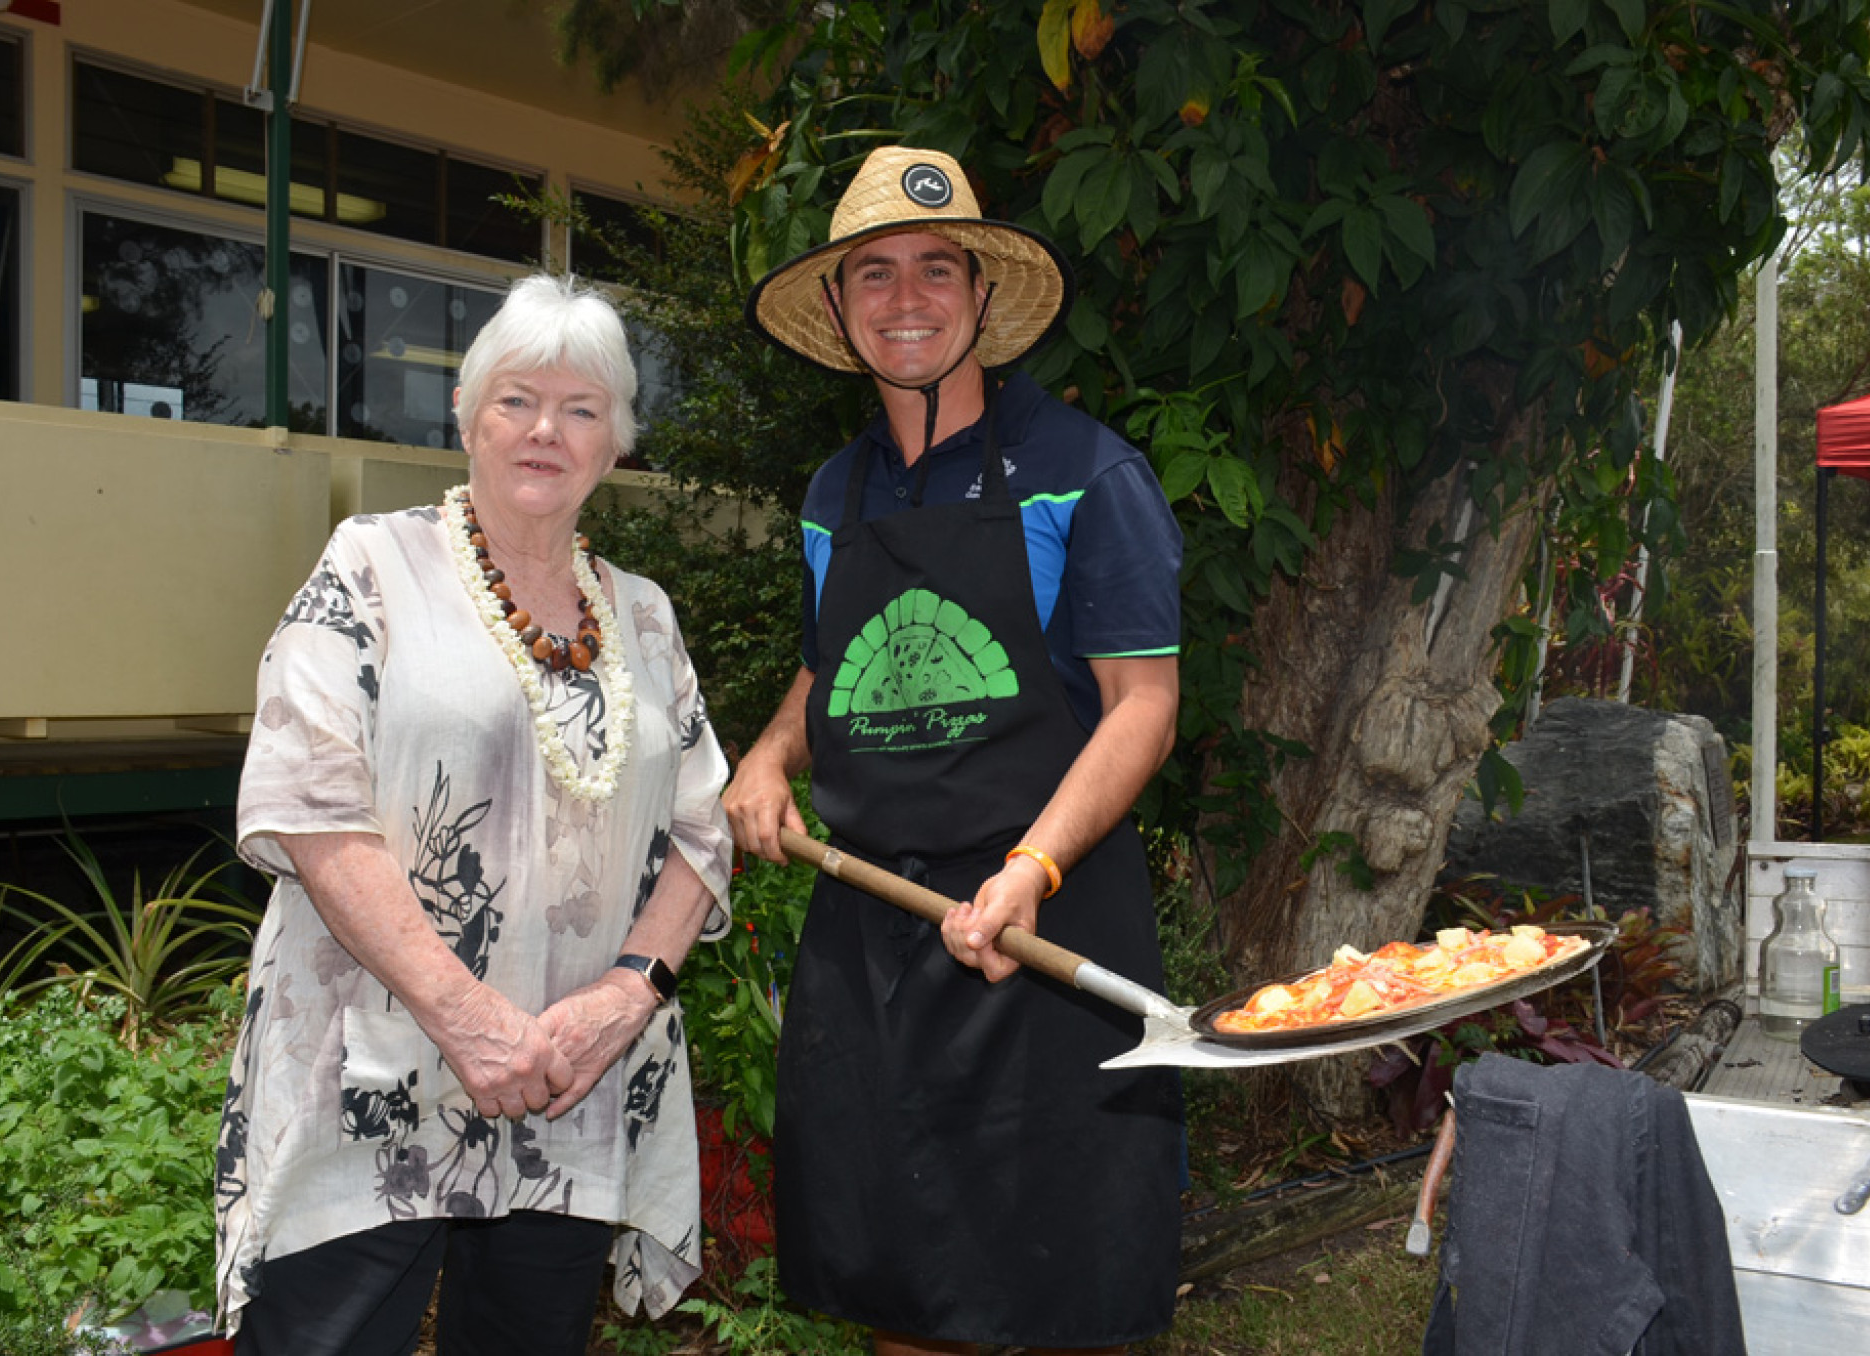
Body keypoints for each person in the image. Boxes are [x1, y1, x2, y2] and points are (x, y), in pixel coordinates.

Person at [213, 273, 733, 1355]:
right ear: (465, 415)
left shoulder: (642, 614)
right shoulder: (370, 569)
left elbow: (701, 829)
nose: (546, 429)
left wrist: (623, 1000)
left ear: (615, 441)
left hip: (568, 1079)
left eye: (581, 408)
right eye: (516, 399)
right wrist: (469, 1020)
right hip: (372, 1074)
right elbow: (311, 809)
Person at [726, 146, 1185, 1355]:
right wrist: (770, 754)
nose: (905, 298)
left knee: (1049, 1287)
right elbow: (838, 657)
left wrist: (1031, 867)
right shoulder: (834, 493)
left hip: (1040, 929)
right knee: (898, 1280)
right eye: (871, 273)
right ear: (836, 307)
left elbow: (1141, 703)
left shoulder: (1089, 477)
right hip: (872, 935)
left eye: (936, 267)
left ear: (983, 296)